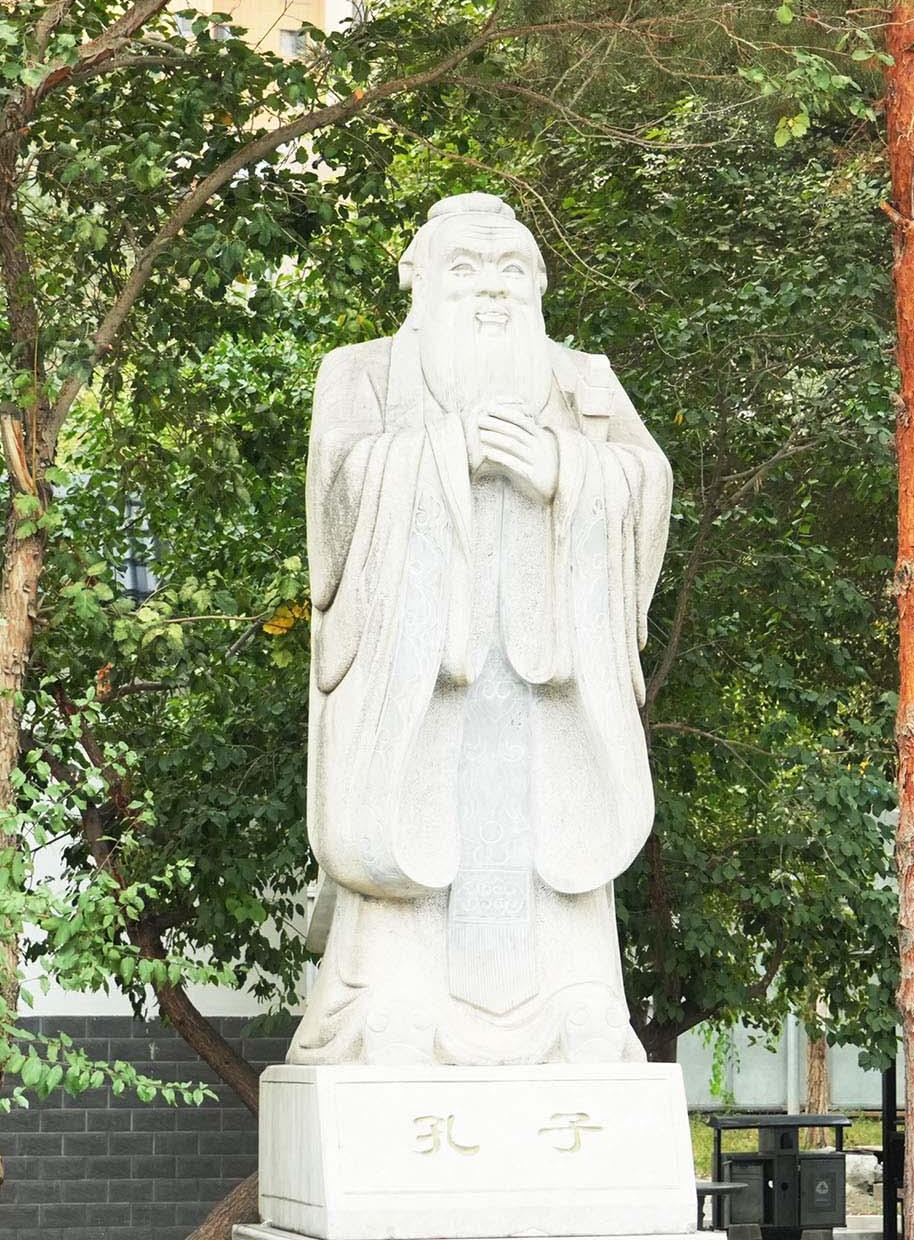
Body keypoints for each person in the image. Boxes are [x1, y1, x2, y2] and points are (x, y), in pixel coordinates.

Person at [287, 193, 673, 1066]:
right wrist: (442, 456)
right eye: (465, 269)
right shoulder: (361, 372)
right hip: (416, 669)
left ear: (538, 286)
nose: (492, 290)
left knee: (552, 854)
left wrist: (565, 469)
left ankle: (576, 1005)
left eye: (512, 271)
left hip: (551, 677)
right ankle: (391, 1001)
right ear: (416, 279)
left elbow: (647, 480)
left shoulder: (582, 381)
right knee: (412, 853)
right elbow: (335, 500)